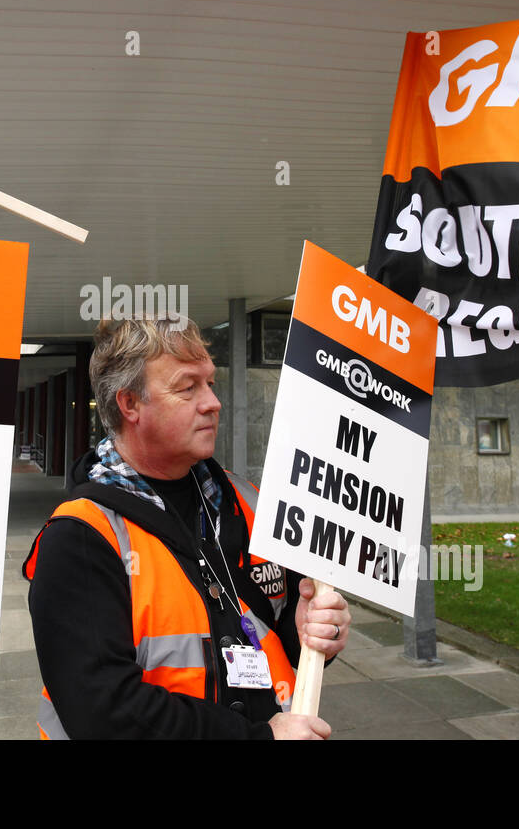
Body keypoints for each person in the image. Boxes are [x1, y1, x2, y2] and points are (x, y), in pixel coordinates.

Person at [23, 316, 352, 739]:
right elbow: (102, 711)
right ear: (130, 405)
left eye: (210, 383)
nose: (212, 402)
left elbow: (278, 636)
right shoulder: (81, 536)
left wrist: (312, 634)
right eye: (187, 387)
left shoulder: (247, 500)